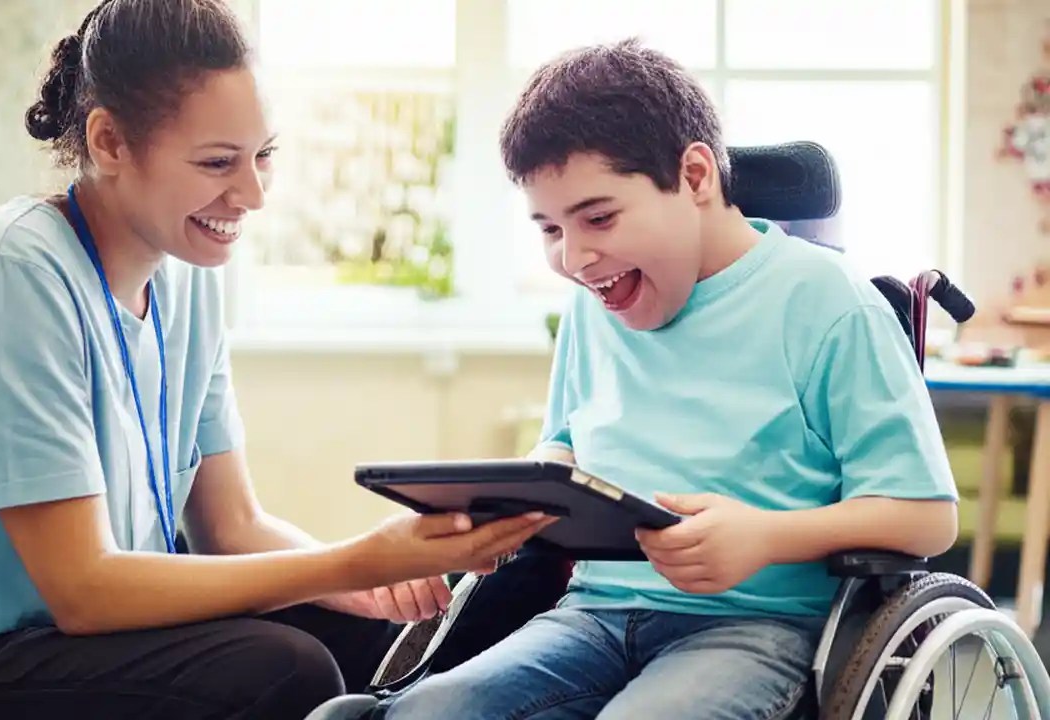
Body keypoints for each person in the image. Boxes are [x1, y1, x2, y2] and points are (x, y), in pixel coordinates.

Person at [0, 2, 555, 718]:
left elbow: (232, 526)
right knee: (285, 668)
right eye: (219, 163)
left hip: (54, 644)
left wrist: (374, 577)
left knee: (374, 647)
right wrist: (351, 562)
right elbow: (83, 589)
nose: (252, 195)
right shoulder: (8, 276)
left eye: (264, 156)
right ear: (109, 142)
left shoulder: (182, 279)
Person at [382, 38, 959, 720]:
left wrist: (766, 536)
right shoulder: (591, 309)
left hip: (754, 630)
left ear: (694, 177)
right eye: (548, 229)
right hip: (591, 617)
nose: (574, 257)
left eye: (598, 217)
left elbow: (929, 517)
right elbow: (563, 450)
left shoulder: (828, 303)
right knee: (427, 710)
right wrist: (483, 511)